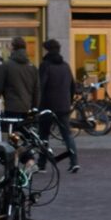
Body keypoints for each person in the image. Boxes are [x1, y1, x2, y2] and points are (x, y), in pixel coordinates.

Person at [36, 38, 81, 172]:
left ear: (47, 50)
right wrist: (69, 101)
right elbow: (72, 86)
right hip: (63, 106)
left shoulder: (45, 65)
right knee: (67, 135)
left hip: (47, 106)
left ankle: (42, 164)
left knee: (43, 135)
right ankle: (74, 162)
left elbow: (41, 86)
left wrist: (37, 105)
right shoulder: (65, 66)